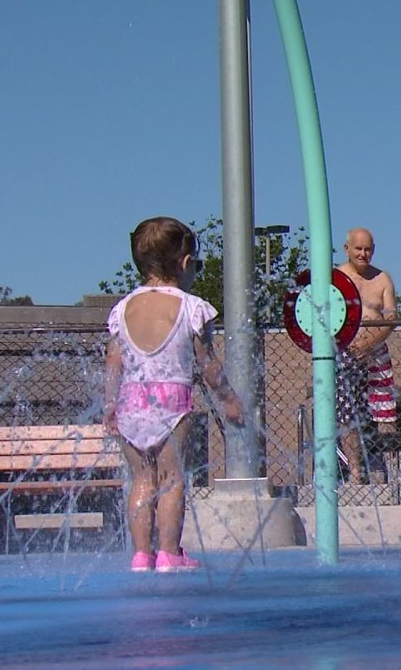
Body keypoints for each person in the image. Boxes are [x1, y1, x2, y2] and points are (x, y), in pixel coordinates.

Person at [103, 216, 244, 573]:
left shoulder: (122, 309)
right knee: (171, 479)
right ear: (184, 263)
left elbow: (114, 361)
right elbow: (206, 362)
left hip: (131, 401)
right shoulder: (191, 307)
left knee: (142, 480)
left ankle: (140, 555)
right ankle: (168, 553)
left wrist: (109, 405)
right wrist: (228, 397)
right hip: (172, 400)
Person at [336, 227, 399, 484]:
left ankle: (388, 470)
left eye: (368, 249)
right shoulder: (336, 277)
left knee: (382, 410)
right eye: (358, 248)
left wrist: (370, 342)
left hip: (375, 353)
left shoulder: (382, 279)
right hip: (345, 352)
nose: (363, 254)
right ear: (347, 248)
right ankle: (354, 471)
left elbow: (392, 317)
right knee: (347, 413)